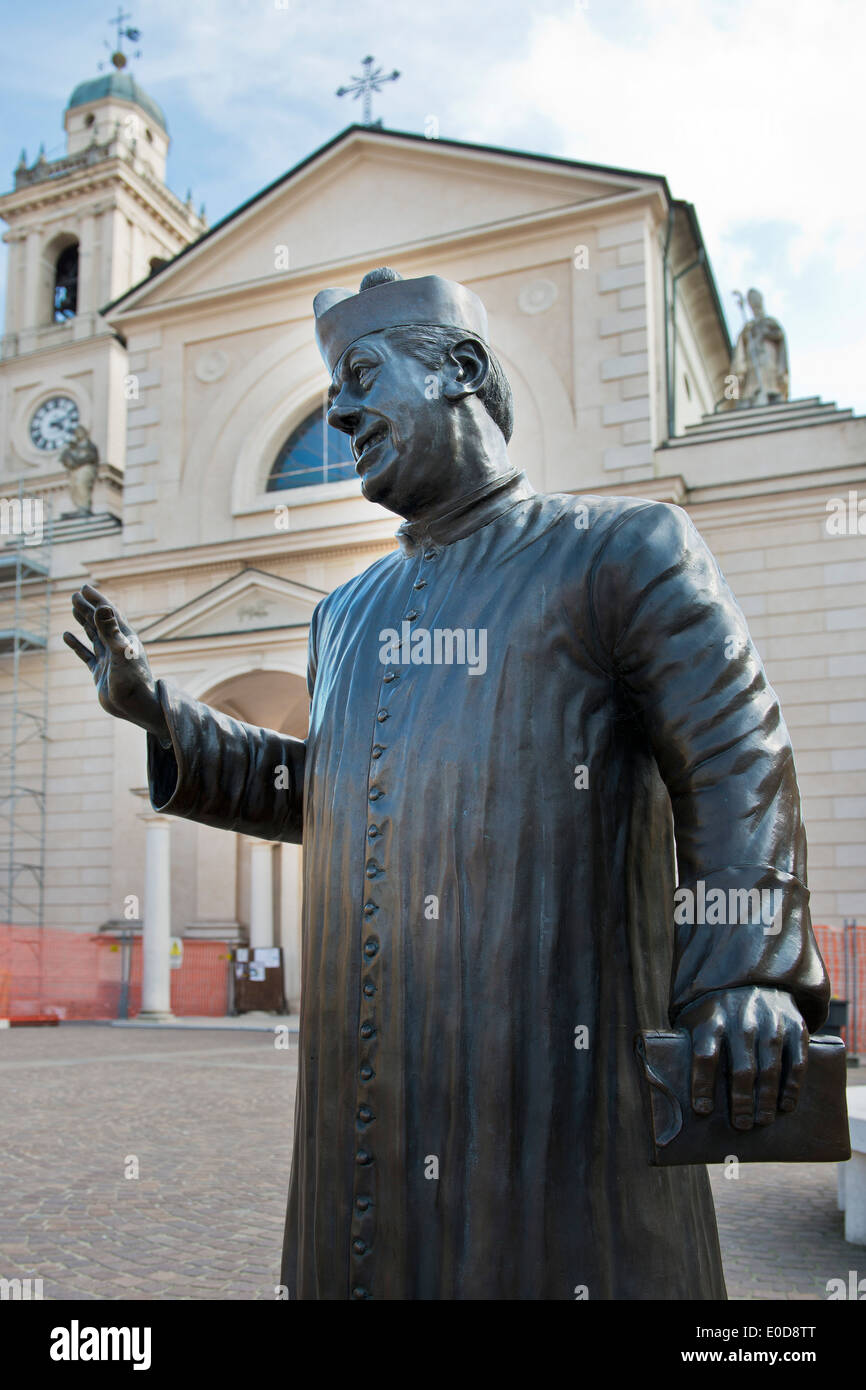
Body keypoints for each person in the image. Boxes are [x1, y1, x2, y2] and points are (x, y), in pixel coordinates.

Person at [65, 267, 828, 1300]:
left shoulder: (620, 551)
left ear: (460, 368)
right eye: (333, 385)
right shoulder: (344, 614)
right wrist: (169, 719)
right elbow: (323, 787)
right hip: (363, 1078)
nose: (338, 410)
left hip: (554, 1066)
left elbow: (737, 752)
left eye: (362, 375)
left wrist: (744, 972)